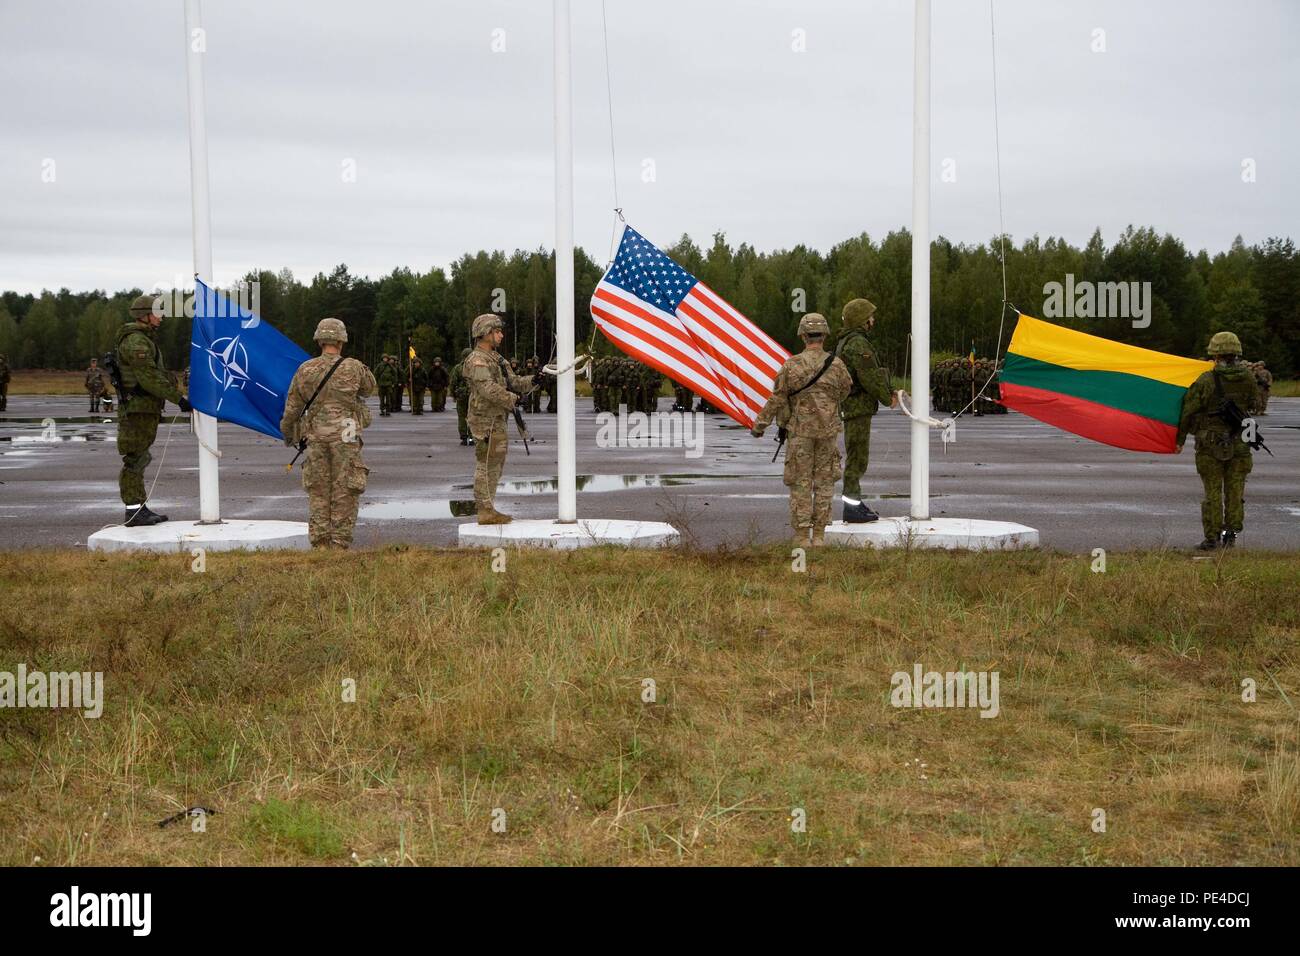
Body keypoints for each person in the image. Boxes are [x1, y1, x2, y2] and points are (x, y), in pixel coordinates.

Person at [751, 314, 852, 547]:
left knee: (800, 483)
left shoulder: (791, 365)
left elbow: (777, 399)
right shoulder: (836, 365)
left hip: (800, 433)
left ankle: (801, 537)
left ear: (803, 336)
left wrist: (760, 426)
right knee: (825, 483)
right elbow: (845, 391)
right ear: (825, 335)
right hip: (828, 433)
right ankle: (819, 536)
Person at [280, 318, 376, 550]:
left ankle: (321, 542)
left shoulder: (305, 369)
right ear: (341, 340)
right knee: (346, 488)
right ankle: (340, 541)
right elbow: (369, 389)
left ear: (320, 340)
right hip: (347, 434)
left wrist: (288, 433)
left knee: (318, 489)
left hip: (317, 435)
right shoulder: (354, 367)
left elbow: (292, 408)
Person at [1176, 331, 1261, 551]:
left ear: (1215, 355)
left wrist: (1180, 438)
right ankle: (1230, 535)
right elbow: (1254, 403)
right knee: (1235, 493)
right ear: (1237, 353)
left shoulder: (1206, 380)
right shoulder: (1249, 378)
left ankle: (1211, 538)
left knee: (1212, 493)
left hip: (1210, 445)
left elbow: (1188, 410)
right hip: (1240, 444)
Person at [115, 294, 192, 526]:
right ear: (145, 315)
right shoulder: (136, 342)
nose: (162, 316)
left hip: (145, 409)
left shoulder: (144, 340)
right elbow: (148, 377)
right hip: (137, 410)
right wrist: (177, 398)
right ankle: (134, 511)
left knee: (140, 457)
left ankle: (139, 508)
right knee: (135, 459)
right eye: (158, 312)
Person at [464, 314, 537, 524]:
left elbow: (513, 382)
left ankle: (489, 507)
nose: (501, 335)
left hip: (497, 419)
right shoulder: (477, 360)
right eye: (497, 332)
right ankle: (485, 510)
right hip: (485, 421)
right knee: (487, 463)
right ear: (486, 334)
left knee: (496, 463)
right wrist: (514, 399)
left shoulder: (497, 359)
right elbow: (487, 389)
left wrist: (536, 380)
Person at [836, 298, 898, 522]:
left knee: (857, 456)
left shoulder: (850, 341)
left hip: (854, 407)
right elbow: (870, 376)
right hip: (857, 408)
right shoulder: (857, 344)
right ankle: (852, 508)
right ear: (862, 320)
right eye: (870, 316)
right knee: (857, 458)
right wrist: (887, 397)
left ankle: (854, 503)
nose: (873, 320)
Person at [450, 348, 473, 445]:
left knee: (462, 417)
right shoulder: (476, 367)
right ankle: (472, 438)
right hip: (473, 396)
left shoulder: (457, 368)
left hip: (461, 396)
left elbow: (453, 383)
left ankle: (464, 438)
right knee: (473, 417)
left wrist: (453, 395)